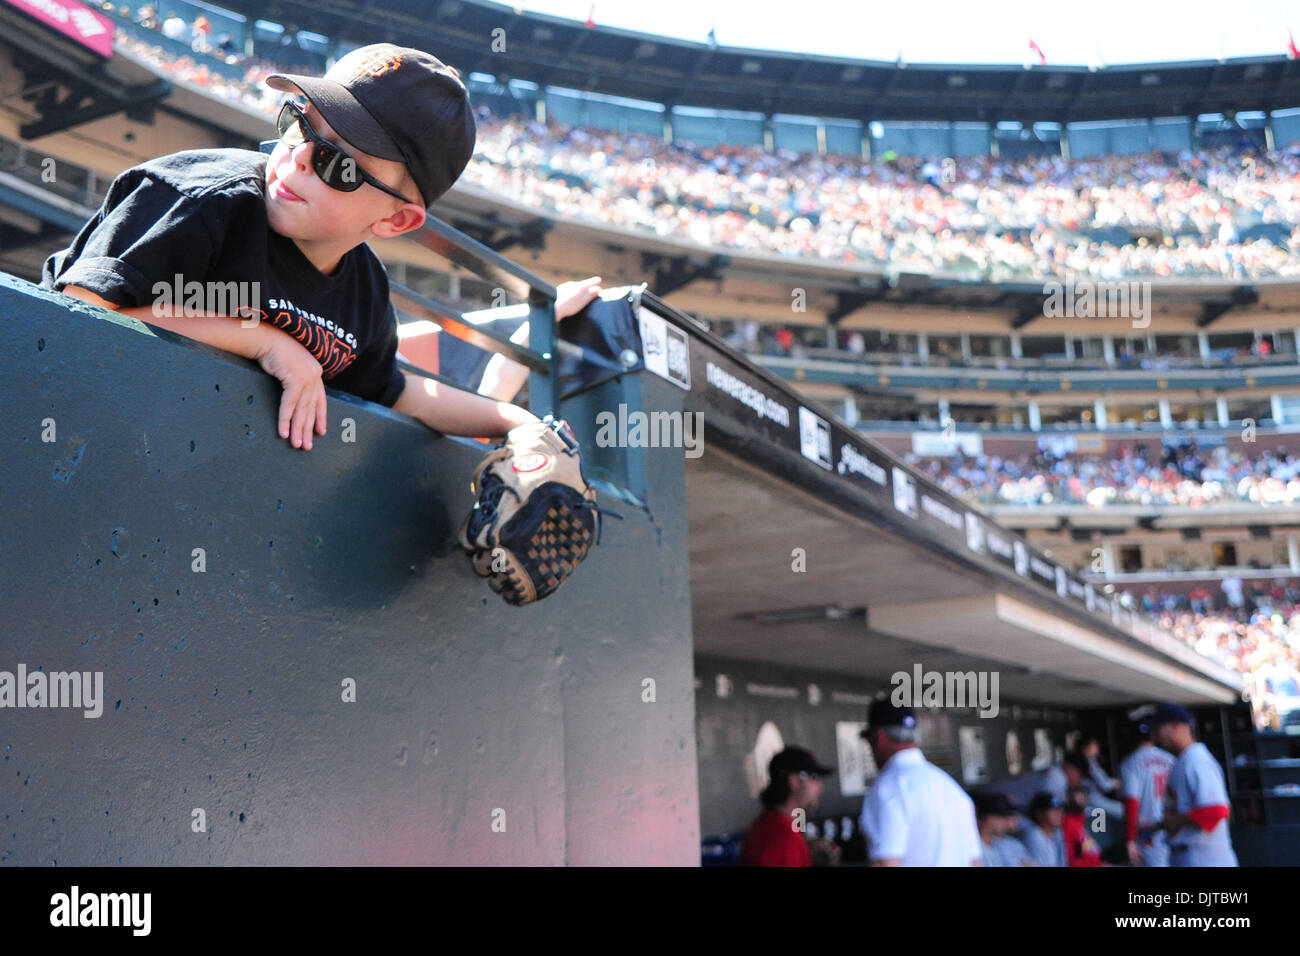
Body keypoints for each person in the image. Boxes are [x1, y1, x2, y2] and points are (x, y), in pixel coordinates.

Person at [42, 44, 538, 449]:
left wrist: (519, 423)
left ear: (394, 220)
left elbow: (402, 393)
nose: (298, 156)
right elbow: (78, 316)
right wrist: (262, 339)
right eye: (299, 124)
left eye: (336, 164)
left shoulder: (364, 290)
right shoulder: (200, 199)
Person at [858, 699, 982, 866]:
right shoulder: (951, 788)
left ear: (878, 738)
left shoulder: (887, 787)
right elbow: (975, 862)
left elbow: (885, 863)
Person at [1150, 703, 1239, 867]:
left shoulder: (1197, 760)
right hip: (1187, 856)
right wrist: (1159, 825)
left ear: (1177, 727)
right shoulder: (1183, 760)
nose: (1156, 735)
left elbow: (1216, 811)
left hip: (1204, 859)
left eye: (1158, 728)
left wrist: (1176, 821)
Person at [740, 747, 834, 867]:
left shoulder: (770, 825)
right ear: (794, 781)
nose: (819, 786)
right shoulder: (784, 840)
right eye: (813, 777)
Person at [1120, 708, 1175, 867]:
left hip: (1149, 832)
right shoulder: (1170, 759)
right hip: (1173, 827)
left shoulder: (1130, 763)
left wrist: (1129, 839)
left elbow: (1132, 803)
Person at [1062, 783, 1104, 866]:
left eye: (1082, 795)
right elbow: (1073, 857)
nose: (1081, 799)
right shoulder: (1069, 822)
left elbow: (1082, 847)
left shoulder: (1080, 819)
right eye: (1077, 796)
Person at [1021, 791, 1066, 867]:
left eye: (1060, 810)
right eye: (1053, 810)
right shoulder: (1034, 836)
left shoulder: (1057, 833)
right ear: (1039, 814)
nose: (1059, 814)